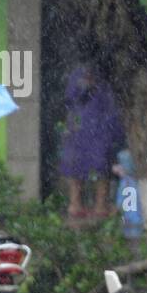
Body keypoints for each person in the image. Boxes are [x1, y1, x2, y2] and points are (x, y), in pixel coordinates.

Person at [59, 65, 123, 222]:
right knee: (76, 167)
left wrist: (114, 129)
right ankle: (75, 205)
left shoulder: (106, 76)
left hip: (101, 129)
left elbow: (112, 103)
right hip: (79, 129)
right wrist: (83, 84)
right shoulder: (77, 74)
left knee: (102, 168)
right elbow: (70, 98)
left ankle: (101, 205)